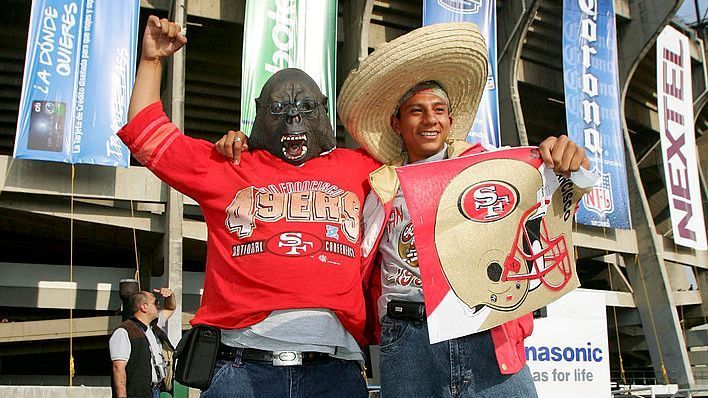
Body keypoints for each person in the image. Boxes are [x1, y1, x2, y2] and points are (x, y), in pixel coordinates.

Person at [217, 22, 590, 398]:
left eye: (439, 110)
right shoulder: (374, 181)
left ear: (449, 119)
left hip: (484, 332)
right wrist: (256, 144)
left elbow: (554, 206)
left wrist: (568, 164)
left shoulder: (489, 169)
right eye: (416, 111)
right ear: (397, 123)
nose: (430, 119)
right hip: (407, 340)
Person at [118, 15, 379, 398]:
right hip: (241, 367)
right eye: (280, 108)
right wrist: (152, 60)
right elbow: (145, 134)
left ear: (324, 111)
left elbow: (423, 147)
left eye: (307, 107)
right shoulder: (229, 165)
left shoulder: (360, 166)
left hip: (334, 372)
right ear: (258, 113)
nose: (294, 118)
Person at [110, 288, 176, 398]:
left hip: (155, 391)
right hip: (137, 393)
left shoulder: (154, 327)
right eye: (156, 302)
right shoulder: (124, 331)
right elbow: (118, 368)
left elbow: (170, 308)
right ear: (144, 307)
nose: (158, 306)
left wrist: (170, 295)